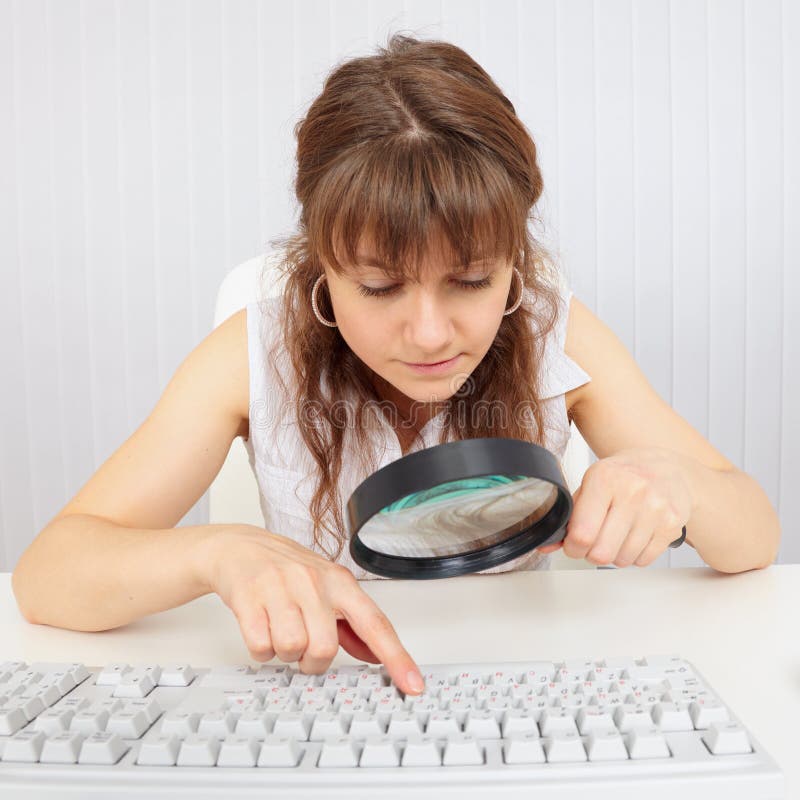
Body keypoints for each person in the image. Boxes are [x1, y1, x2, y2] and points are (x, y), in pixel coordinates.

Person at [11, 35, 780, 697]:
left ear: (514, 263)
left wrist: (678, 491)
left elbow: (755, 539)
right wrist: (215, 552)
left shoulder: (557, 333)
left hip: (515, 681)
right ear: (323, 268)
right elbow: (48, 576)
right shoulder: (254, 351)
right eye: (379, 287)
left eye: (473, 280)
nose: (428, 332)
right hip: (325, 690)